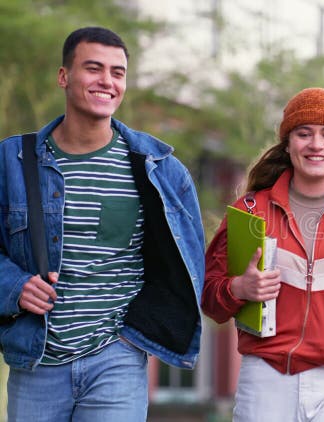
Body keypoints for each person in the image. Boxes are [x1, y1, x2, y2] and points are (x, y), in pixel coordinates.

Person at [0, 27, 205, 421]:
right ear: (64, 76)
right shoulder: (13, 161)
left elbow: (190, 264)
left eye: (118, 72)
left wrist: (137, 336)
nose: (107, 82)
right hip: (37, 360)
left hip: (117, 358)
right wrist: (15, 287)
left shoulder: (160, 169)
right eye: (93, 68)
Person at [202, 87, 324, 421]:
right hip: (266, 378)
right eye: (303, 133)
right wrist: (238, 290)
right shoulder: (251, 211)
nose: (316, 144)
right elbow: (209, 297)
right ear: (288, 143)